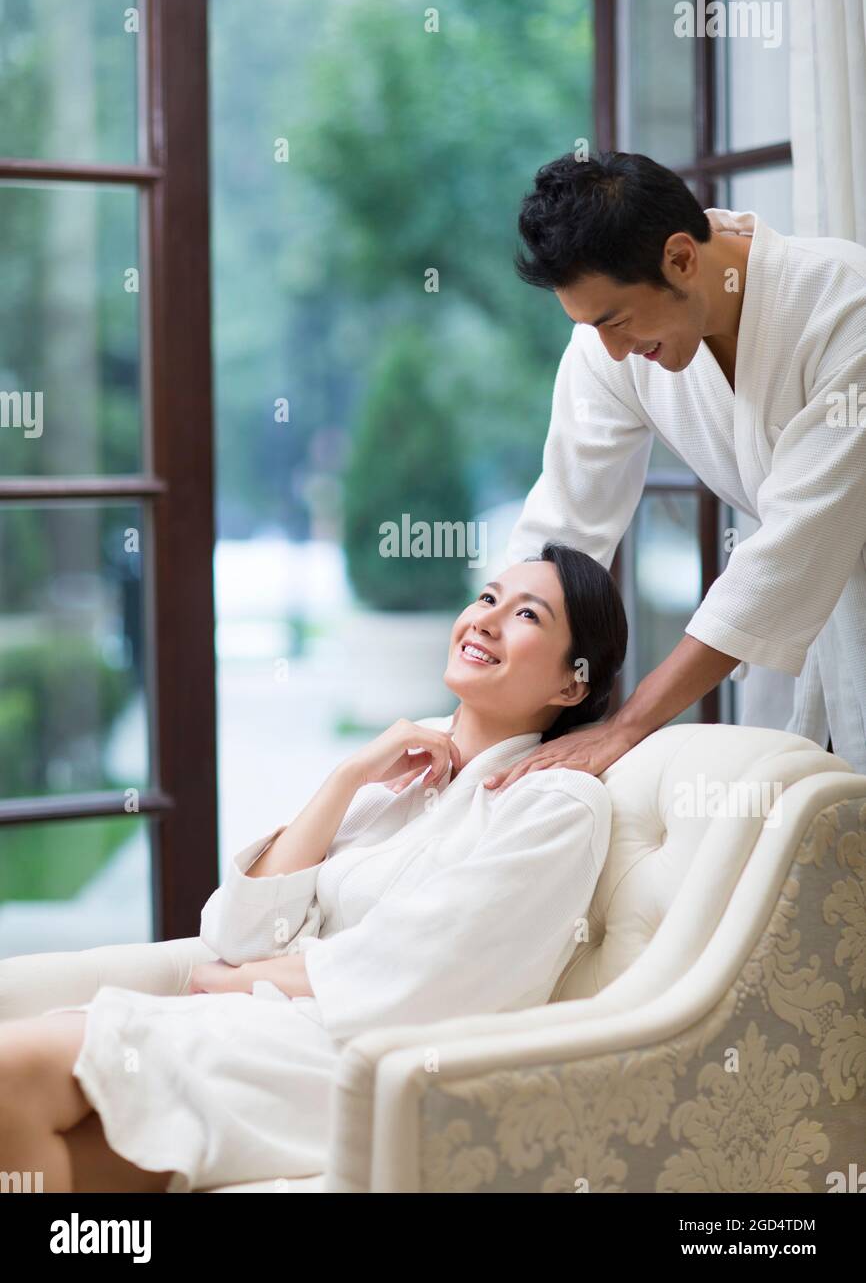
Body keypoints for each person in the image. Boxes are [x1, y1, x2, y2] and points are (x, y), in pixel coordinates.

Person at [0, 542, 625, 1194]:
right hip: (264, 1036)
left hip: (352, 1062)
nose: (485, 621)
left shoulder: (558, 805)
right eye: (488, 598)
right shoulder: (408, 771)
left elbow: (433, 970)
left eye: (527, 615)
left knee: (9, 1075)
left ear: (571, 681)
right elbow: (239, 930)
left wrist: (245, 981)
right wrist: (348, 778)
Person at [482, 149, 866, 793]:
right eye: (588, 326)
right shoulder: (608, 346)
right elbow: (564, 528)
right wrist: (492, 707)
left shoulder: (844, 309)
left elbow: (791, 549)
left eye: (616, 320)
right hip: (804, 636)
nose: (610, 350)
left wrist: (628, 724)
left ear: (682, 258)